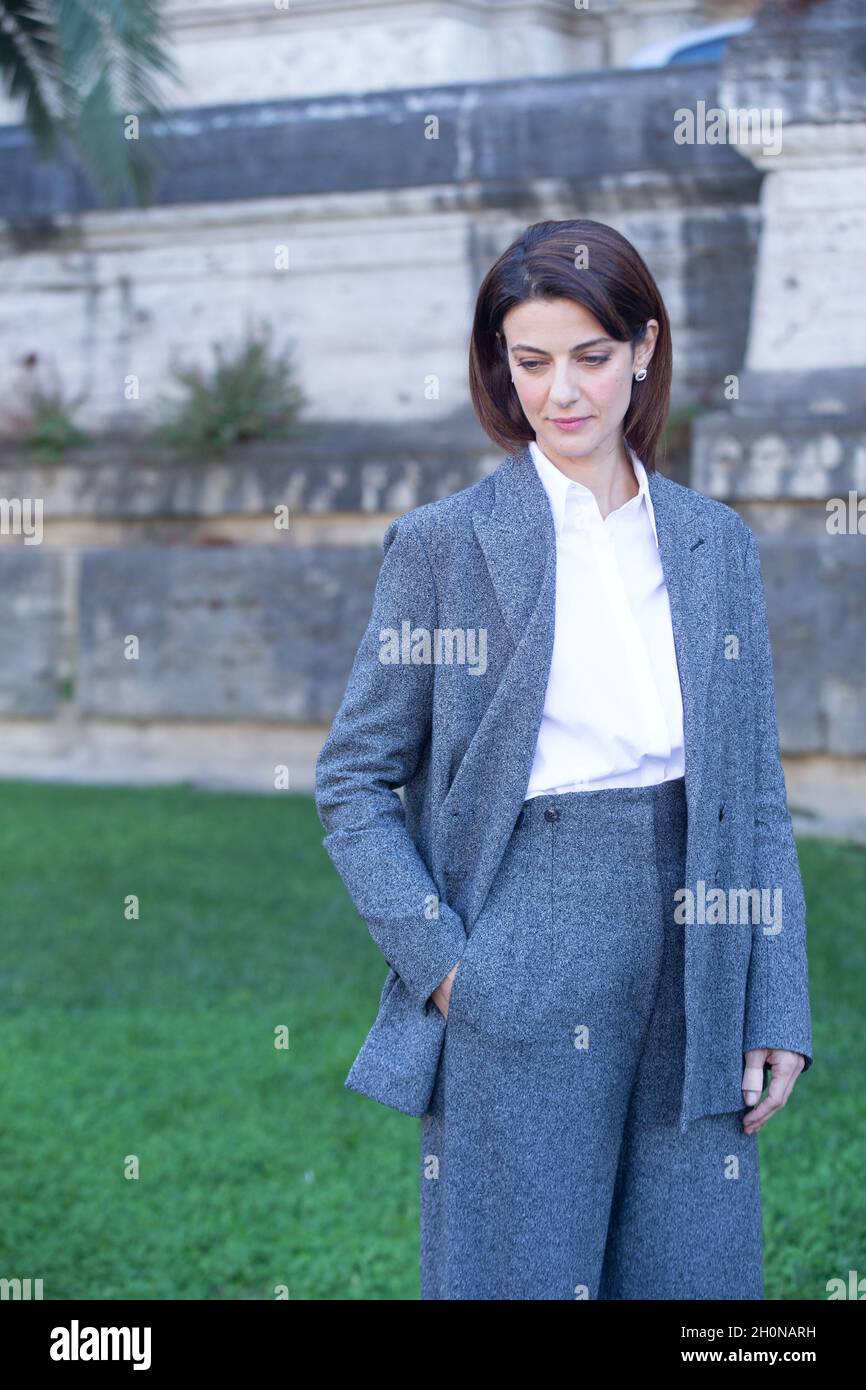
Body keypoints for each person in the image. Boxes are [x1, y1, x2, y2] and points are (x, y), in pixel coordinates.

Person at [315, 218, 814, 1300]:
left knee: (696, 1281)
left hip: (700, 939)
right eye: (529, 360)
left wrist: (774, 1000)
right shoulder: (444, 545)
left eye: (589, 356)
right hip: (523, 945)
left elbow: (754, 794)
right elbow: (352, 779)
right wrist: (446, 968)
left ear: (642, 347)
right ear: (500, 364)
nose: (561, 393)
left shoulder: (714, 541)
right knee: (520, 1275)